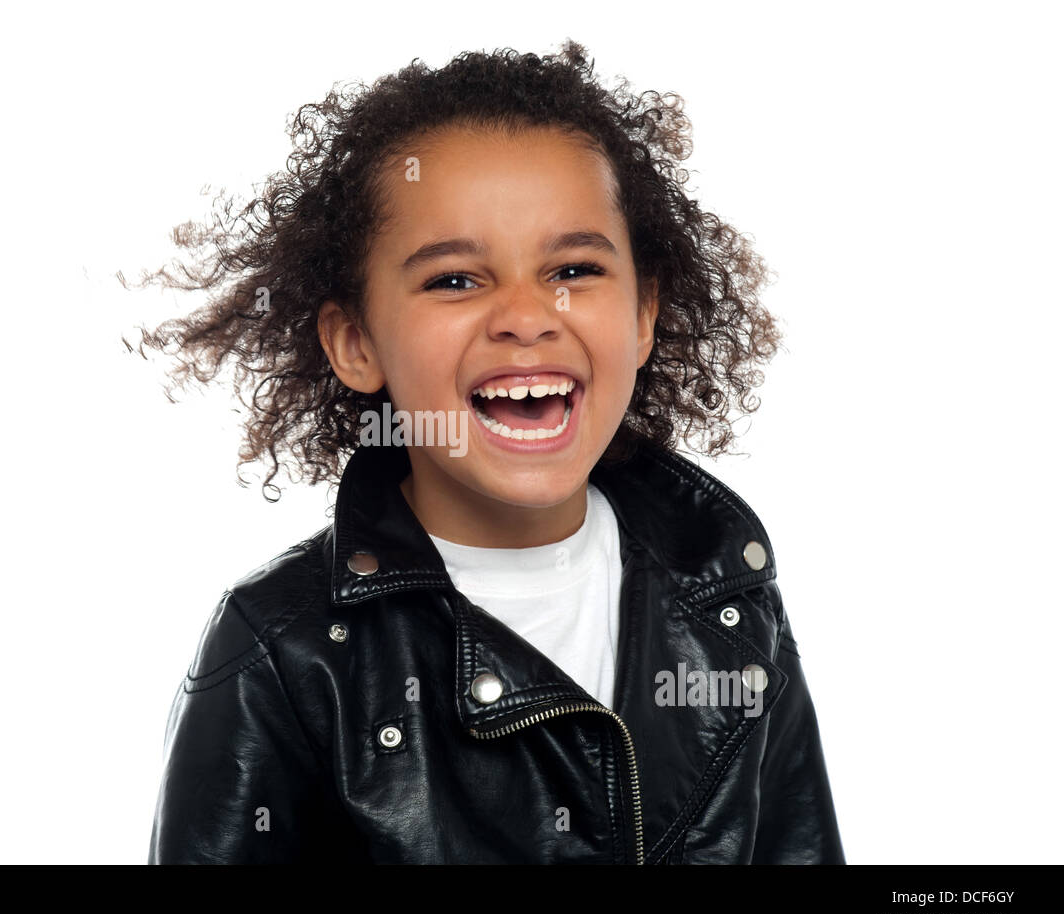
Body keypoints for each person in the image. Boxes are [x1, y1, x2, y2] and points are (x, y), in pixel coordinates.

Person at [133, 40, 845, 864]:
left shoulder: (726, 590)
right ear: (356, 341)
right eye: (455, 280)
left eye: (573, 268)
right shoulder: (282, 654)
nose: (527, 317)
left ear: (644, 314)